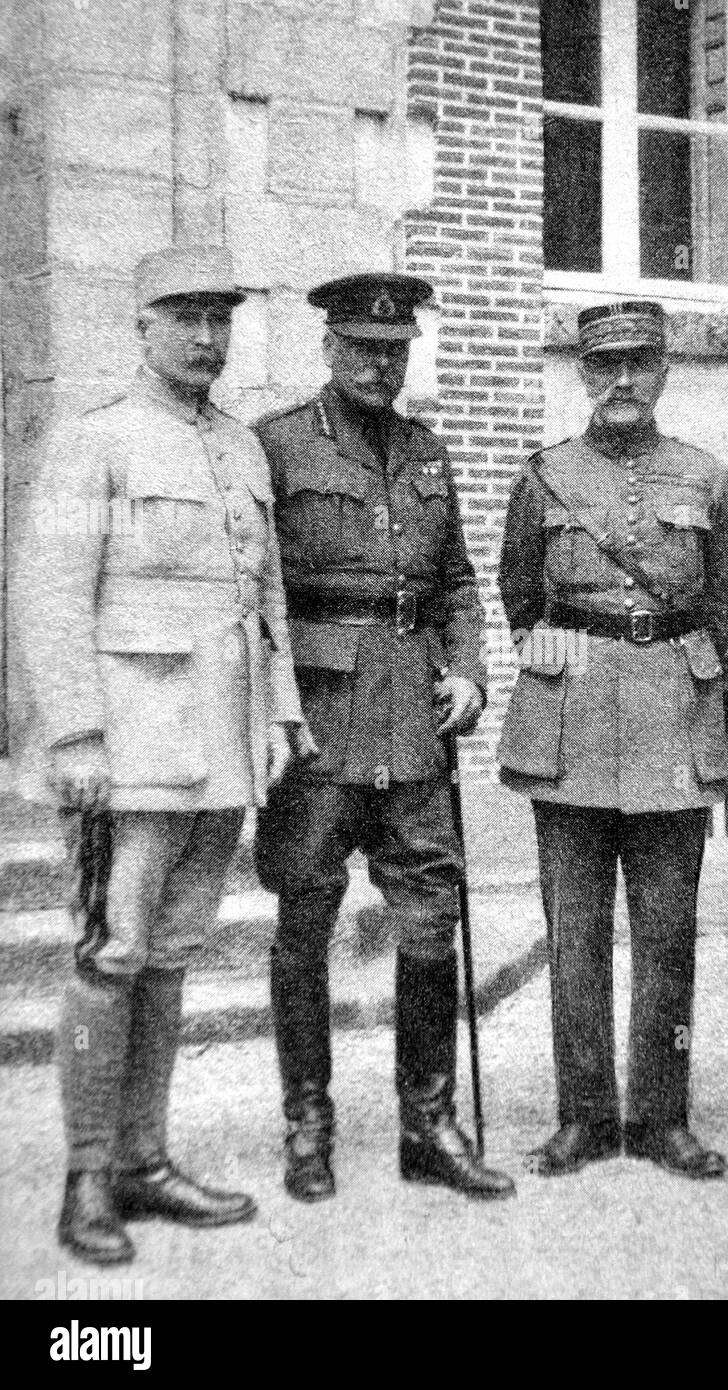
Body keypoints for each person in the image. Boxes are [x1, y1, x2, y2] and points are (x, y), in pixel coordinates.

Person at [15, 245, 308, 1264]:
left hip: (218, 747)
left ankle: (145, 1157)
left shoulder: (238, 448)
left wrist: (277, 716)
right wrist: (77, 736)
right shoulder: (95, 442)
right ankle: (87, 1175)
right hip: (129, 751)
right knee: (110, 955)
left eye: (219, 318)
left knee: (172, 956)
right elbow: (51, 597)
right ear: (140, 326)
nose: (205, 336)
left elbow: (261, 600)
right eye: (183, 317)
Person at [254, 272, 515, 1202]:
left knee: (429, 923)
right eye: (363, 348)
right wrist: (270, 707)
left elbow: (454, 585)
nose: (379, 364)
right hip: (318, 721)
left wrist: (470, 671)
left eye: (394, 349)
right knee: (304, 922)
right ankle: (307, 1127)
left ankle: (428, 1126)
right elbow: (257, 594)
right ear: (328, 347)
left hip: (413, 717)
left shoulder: (426, 450)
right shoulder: (278, 446)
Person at [497, 301, 728, 1179]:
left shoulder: (705, 476)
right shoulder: (546, 475)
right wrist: (568, 659)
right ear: (583, 375)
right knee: (574, 930)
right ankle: (584, 1116)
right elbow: (519, 593)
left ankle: (663, 1117)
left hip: (672, 719)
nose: (623, 381)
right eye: (605, 366)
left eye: (639, 363)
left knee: (668, 931)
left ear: (665, 369)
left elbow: (716, 604)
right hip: (570, 721)